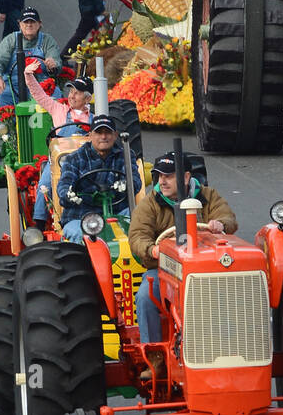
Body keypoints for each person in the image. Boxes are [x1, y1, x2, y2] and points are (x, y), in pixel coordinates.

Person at [129, 152, 238, 346]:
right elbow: (137, 236)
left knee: (233, 293)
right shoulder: (150, 203)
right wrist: (152, 250)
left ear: (186, 177)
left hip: (206, 270)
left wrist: (220, 224)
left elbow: (228, 218)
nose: (162, 181)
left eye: (168, 176)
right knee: (145, 297)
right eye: (160, 176)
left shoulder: (208, 195)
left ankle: (229, 345)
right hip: (164, 269)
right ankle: (155, 355)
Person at [57, 114, 142, 243]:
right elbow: (64, 185)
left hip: (117, 212)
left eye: (107, 132)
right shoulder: (74, 158)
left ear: (115, 135)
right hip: (80, 216)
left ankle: (138, 261)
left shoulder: (125, 154)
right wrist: (69, 194)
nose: (103, 137)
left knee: (141, 225)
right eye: (99, 132)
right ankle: (84, 262)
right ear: (90, 135)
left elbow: (135, 181)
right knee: (78, 234)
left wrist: (126, 184)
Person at [24, 68, 93, 224]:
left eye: (77, 93)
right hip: (59, 163)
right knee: (44, 186)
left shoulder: (94, 120)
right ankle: (39, 224)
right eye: (71, 91)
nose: (72, 96)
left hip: (84, 164)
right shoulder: (58, 110)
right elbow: (39, 95)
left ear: (87, 99)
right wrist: (28, 75)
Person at [0, 7, 61, 105]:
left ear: (39, 24)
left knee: (55, 95)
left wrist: (53, 64)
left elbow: (55, 60)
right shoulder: (10, 40)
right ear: (19, 24)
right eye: (25, 22)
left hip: (40, 84)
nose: (29, 25)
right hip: (13, 84)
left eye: (32, 22)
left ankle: (46, 120)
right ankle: (8, 121)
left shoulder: (47, 40)